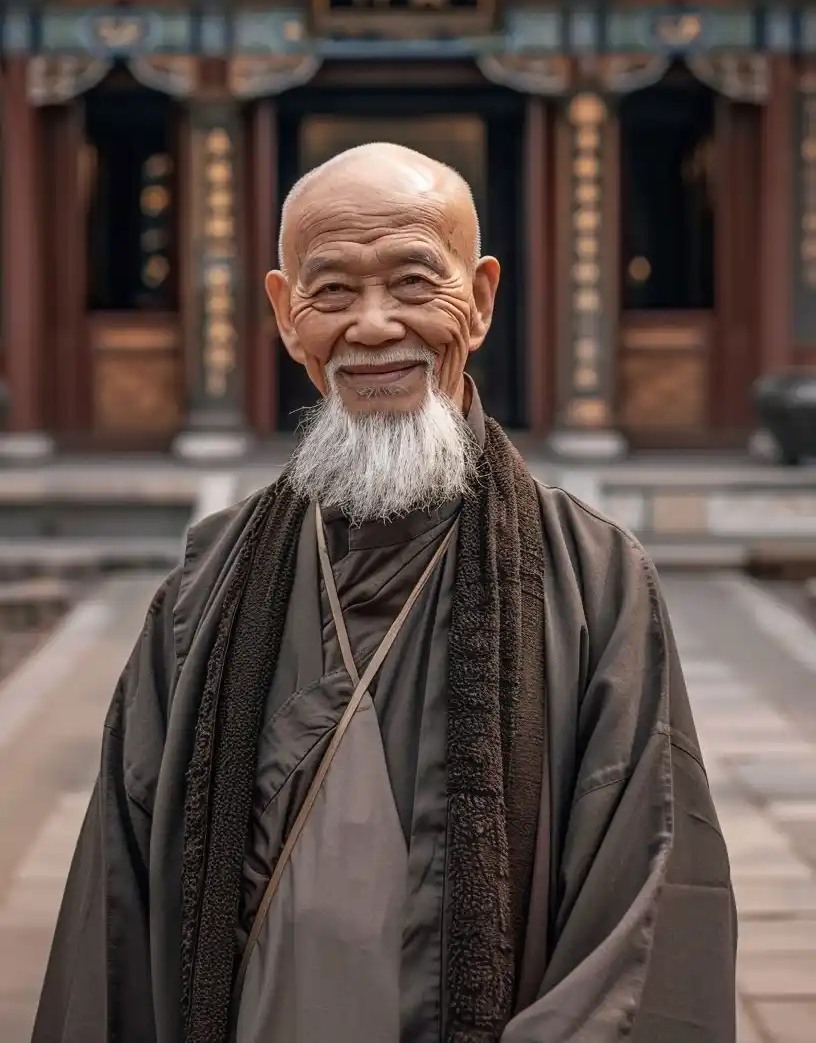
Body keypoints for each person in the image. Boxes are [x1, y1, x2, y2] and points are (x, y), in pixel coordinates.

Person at [34, 143, 736, 1043]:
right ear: (287, 317)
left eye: (413, 283)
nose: (372, 326)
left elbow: (645, 913)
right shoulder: (203, 591)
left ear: (479, 300)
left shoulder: (595, 583)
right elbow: (116, 911)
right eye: (332, 292)